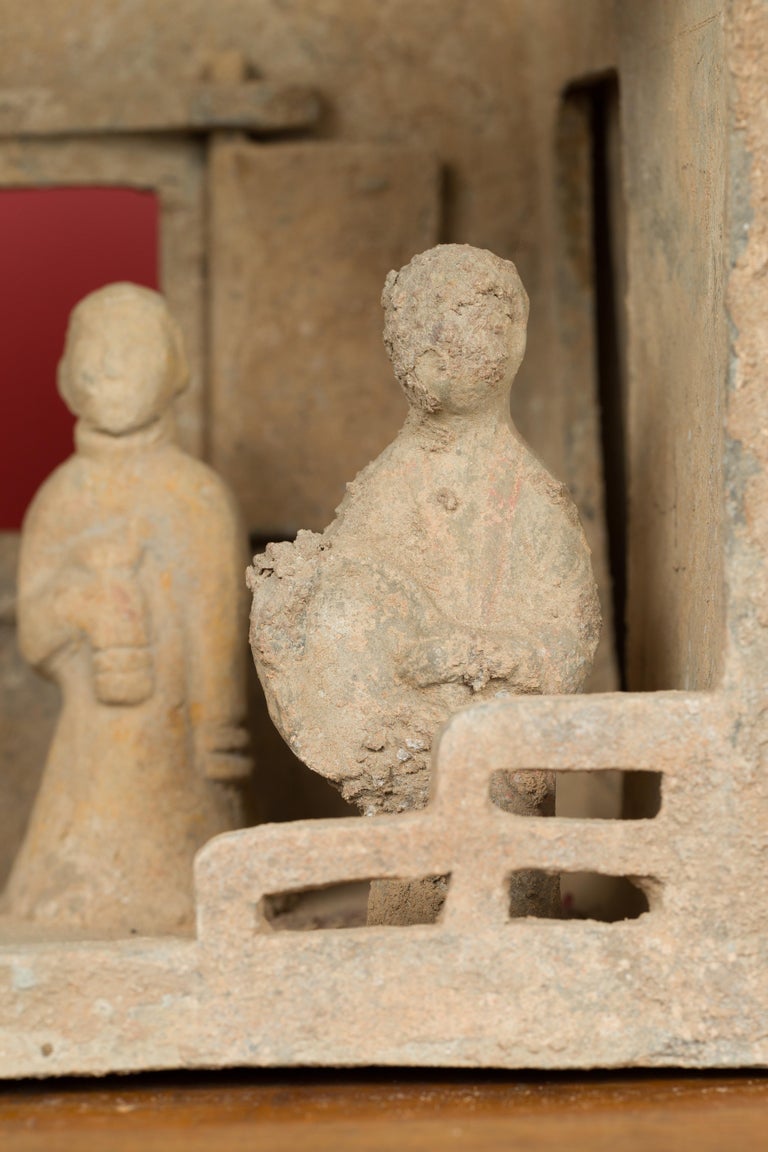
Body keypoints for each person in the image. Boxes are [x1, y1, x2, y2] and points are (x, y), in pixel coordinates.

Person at [2, 283, 250, 936]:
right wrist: (80, 603)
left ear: (176, 371)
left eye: (130, 349)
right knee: (55, 907)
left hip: (177, 747)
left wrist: (218, 729)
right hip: (87, 747)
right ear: (63, 377)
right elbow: (33, 633)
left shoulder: (198, 496)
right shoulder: (59, 499)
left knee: (194, 886)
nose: (108, 365)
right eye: (93, 350)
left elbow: (217, 623)